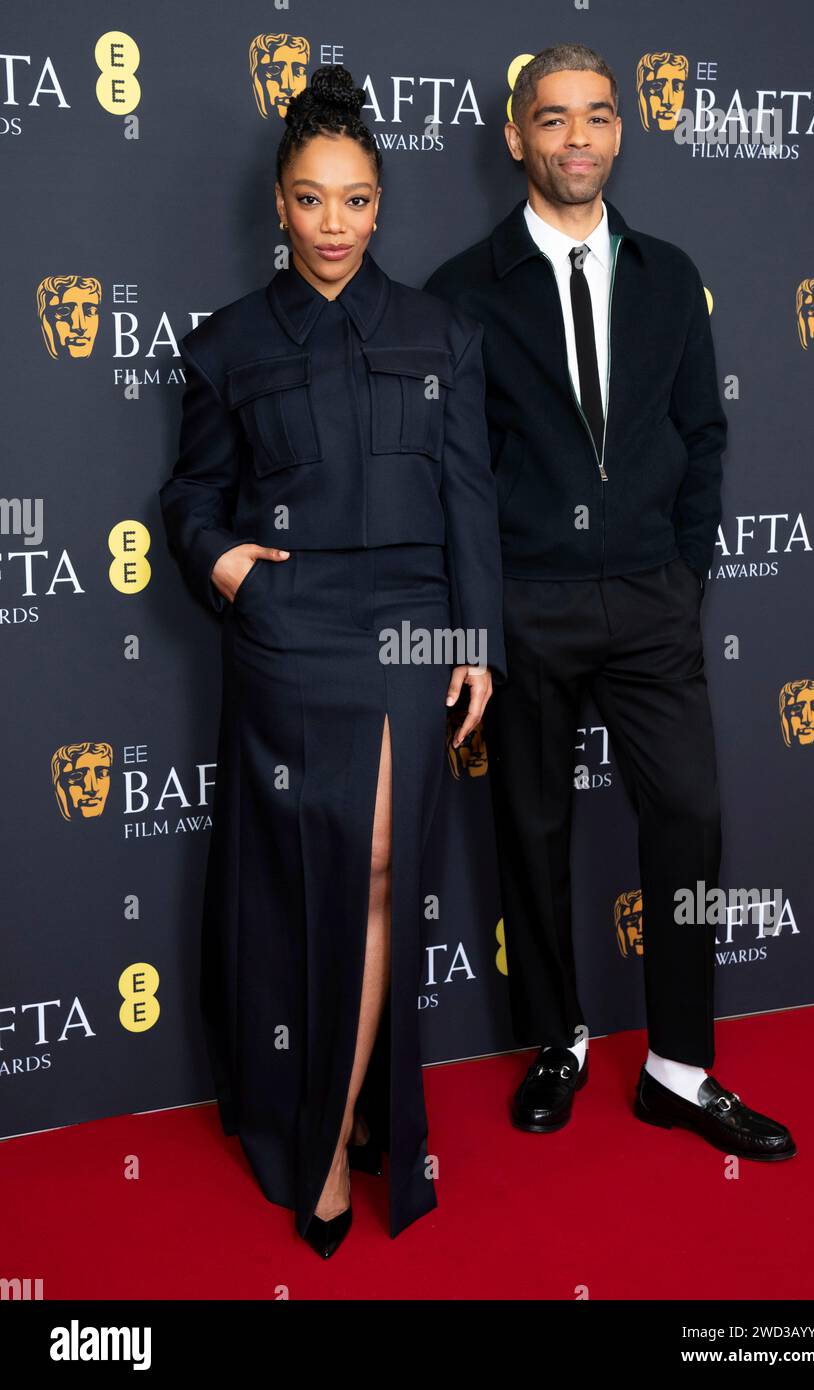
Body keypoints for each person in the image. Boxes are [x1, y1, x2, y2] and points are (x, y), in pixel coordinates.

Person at [159, 64, 507, 1259]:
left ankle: (337, 1129)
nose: (335, 225)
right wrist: (228, 568)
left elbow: (469, 503)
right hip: (289, 628)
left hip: (410, 627)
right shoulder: (226, 345)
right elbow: (192, 495)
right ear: (279, 204)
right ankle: (327, 1113)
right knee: (299, 882)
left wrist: (477, 647)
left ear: (379, 203)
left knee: (371, 869)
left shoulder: (440, 333)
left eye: (356, 200)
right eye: (312, 200)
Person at [424, 44, 796, 1160]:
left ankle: (679, 1066)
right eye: (551, 119)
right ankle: (556, 1038)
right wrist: (482, 615)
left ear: (619, 131)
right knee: (529, 831)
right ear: (513, 136)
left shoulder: (669, 276)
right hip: (525, 605)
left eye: (594, 117)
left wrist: (682, 573)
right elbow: (456, 474)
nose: (575, 138)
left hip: (648, 603)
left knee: (688, 817)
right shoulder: (459, 291)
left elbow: (703, 436)